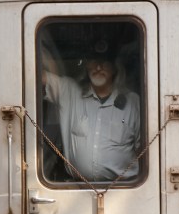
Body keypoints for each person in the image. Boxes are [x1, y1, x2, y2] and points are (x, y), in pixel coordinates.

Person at [42, 41, 141, 182]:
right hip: (75, 189)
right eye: (93, 61)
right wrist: (45, 50)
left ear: (114, 68)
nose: (98, 67)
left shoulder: (133, 102)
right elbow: (39, 76)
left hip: (125, 189)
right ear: (87, 66)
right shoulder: (69, 91)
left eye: (105, 62)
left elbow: (144, 150)